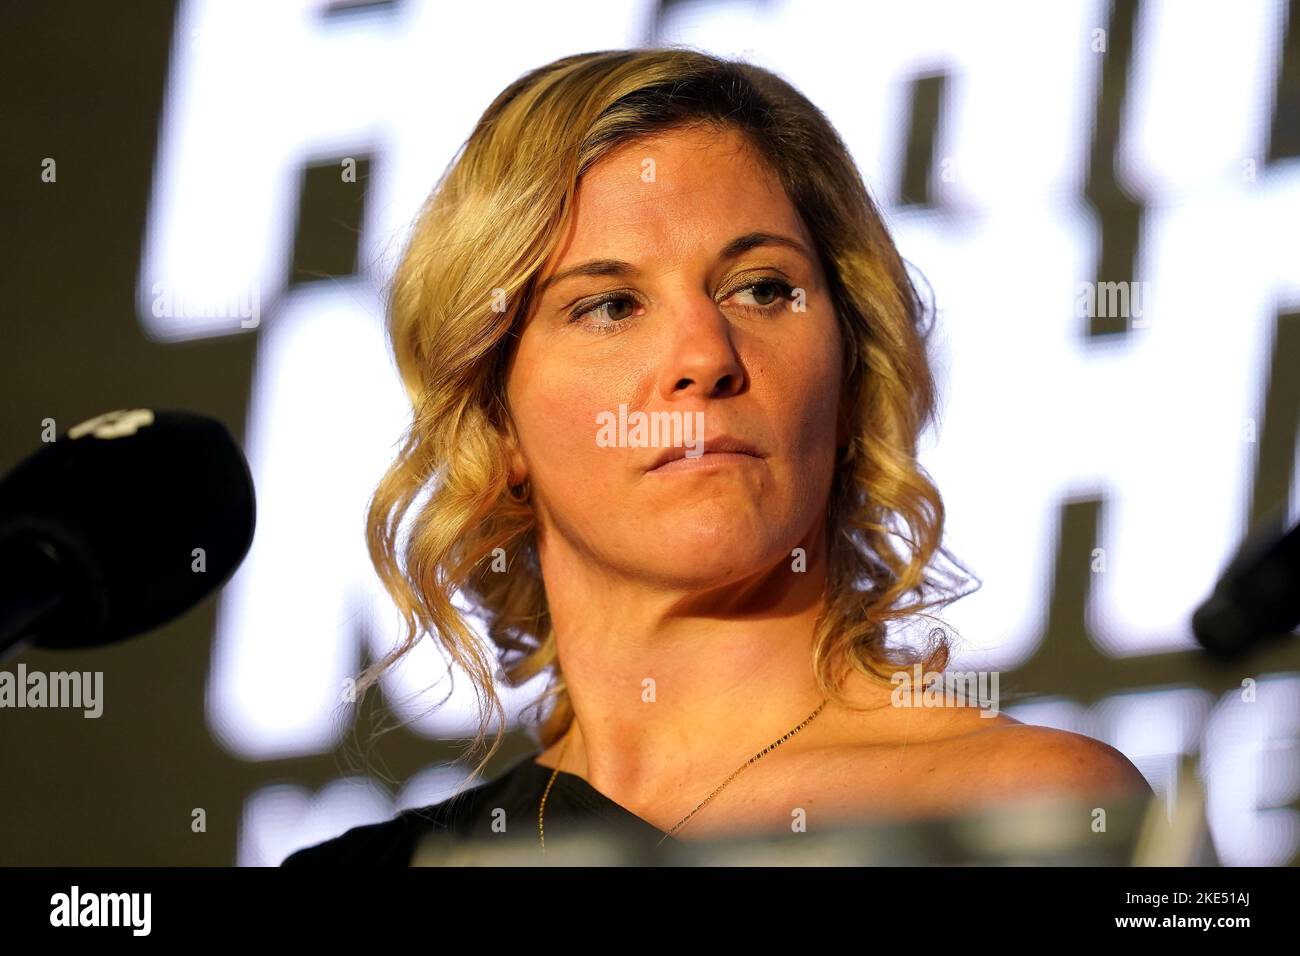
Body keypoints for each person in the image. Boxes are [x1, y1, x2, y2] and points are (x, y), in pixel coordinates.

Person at [282, 47, 1152, 867]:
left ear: (850, 373)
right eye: (610, 305)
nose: (706, 355)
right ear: (495, 416)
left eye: (763, 288)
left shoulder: (1028, 809)